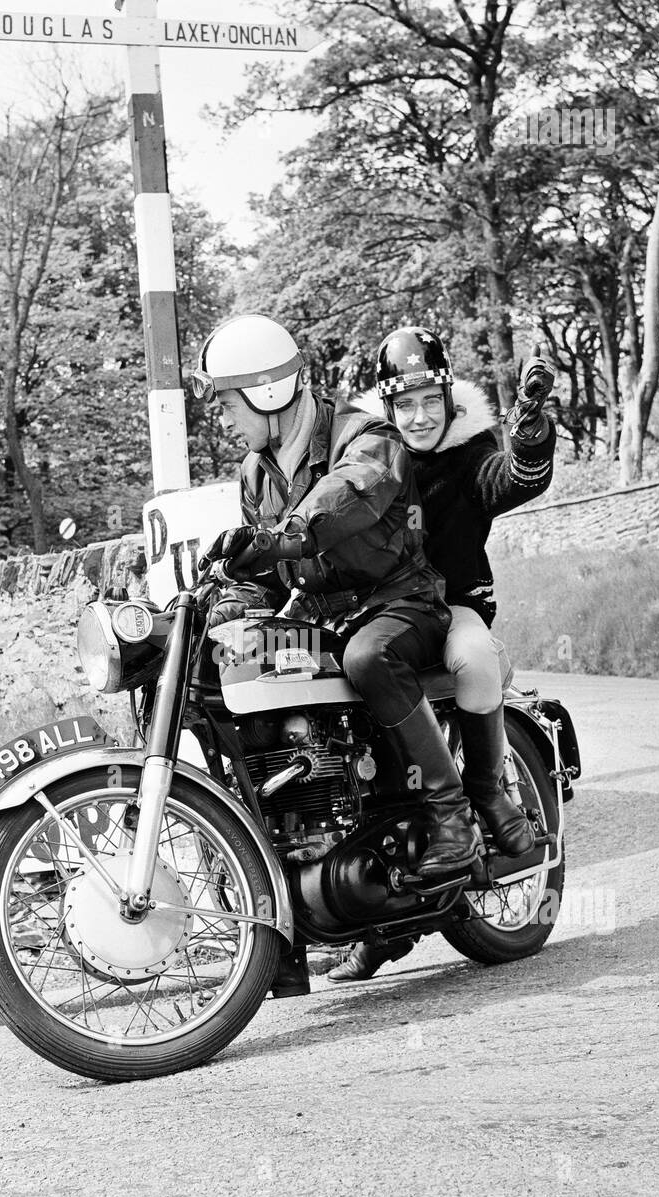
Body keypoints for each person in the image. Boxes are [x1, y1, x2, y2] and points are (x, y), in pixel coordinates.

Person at [190, 313, 476, 998]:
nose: (222, 420)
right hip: (321, 616)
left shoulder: (363, 435)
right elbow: (260, 568)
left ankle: (450, 817)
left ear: (265, 391)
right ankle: (289, 911)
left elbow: (346, 496)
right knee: (241, 691)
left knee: (367, 659)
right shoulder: (255, 472)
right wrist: (216, 601)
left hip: (397, 602)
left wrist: (284, 536)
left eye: (226, 403)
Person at [329, 326, 557, 983]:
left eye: (430, 400)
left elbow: (508, 479)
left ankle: (487, 795)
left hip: (450, 606)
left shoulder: (467, 451)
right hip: (375, 618)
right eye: (405, 405)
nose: (419, 416)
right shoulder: (366, 456)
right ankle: (370, 918)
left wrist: (531, 430)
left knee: (475, 656)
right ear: (387, 408)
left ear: (448, 396)